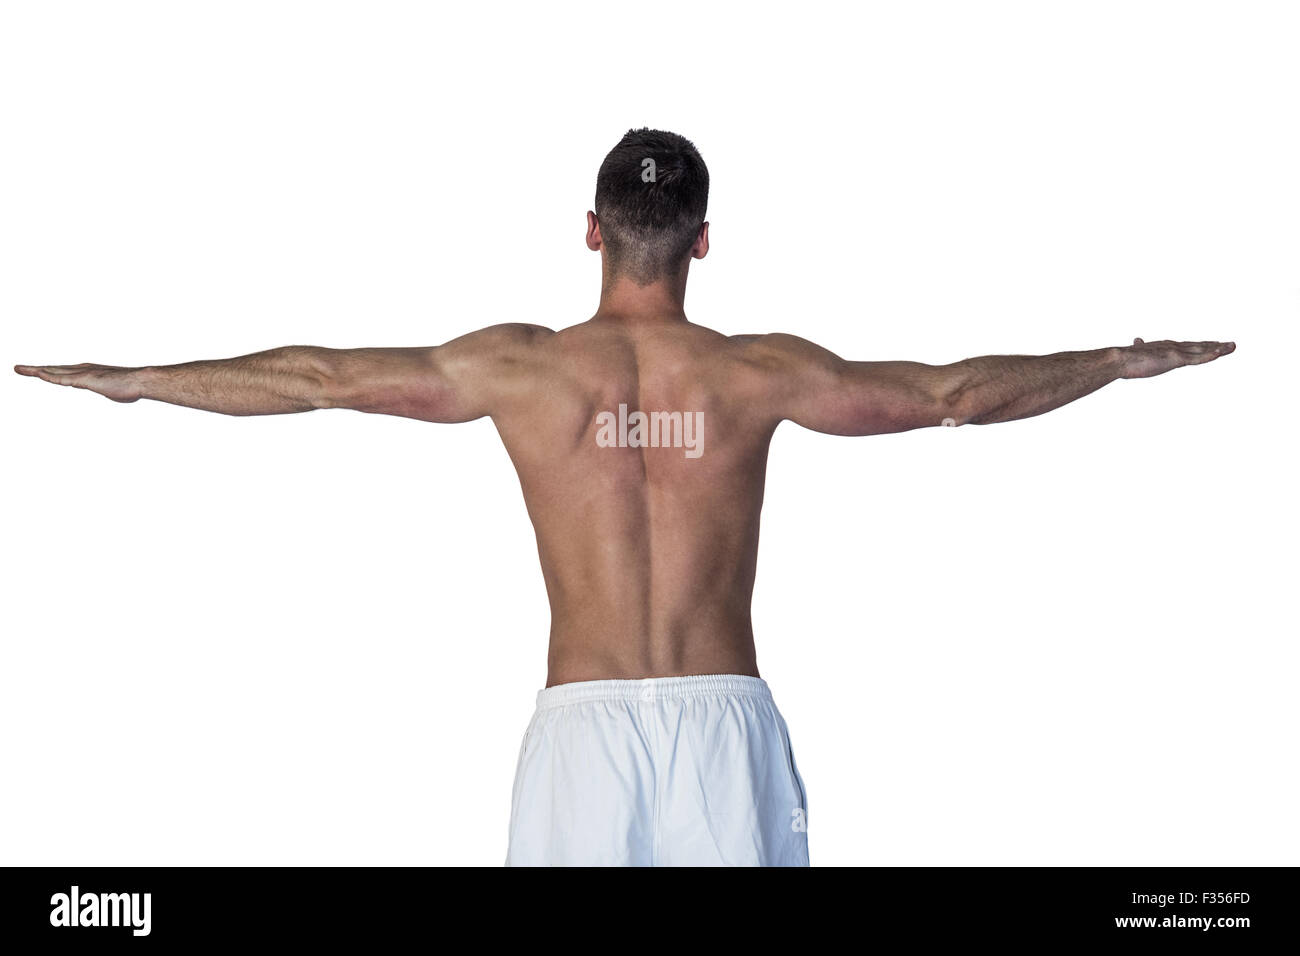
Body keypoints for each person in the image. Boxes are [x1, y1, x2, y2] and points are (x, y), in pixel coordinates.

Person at [13, 128, 1235, 866]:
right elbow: (958, 394)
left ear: (590, 229)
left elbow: (321, 379)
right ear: (700, 241)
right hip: (722, 720)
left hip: (581, 729)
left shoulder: (518, 369)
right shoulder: (760, 375)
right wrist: (1117, 361)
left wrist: (136, 382)